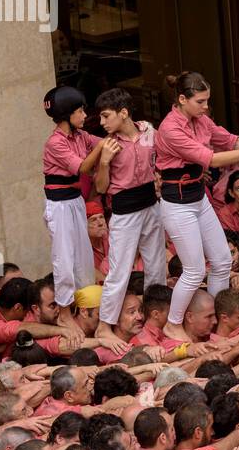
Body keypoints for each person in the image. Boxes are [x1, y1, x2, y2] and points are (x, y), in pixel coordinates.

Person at [155, 72, 239, 342]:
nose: (206, 107)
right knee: (194, 269)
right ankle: (173, 323)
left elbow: (231, 140)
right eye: (200, 101)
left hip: (197, 197)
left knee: (223, 260)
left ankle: (210, 314)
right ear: (181, 99)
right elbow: (210, 159)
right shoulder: (170, 128)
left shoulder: (201, 120)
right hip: (177, 204)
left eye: (207, 101)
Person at [92, 89, 165, 342]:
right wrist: (104, 162)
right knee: (119, 271)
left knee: (156, 266)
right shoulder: (108, 144)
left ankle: (156, 316)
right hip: (124, 210)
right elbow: (100, 188)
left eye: (105, 116)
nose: (102, 123)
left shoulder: (148, 131)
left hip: (150, 203)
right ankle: (105, 325)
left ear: (123, 113)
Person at [42, 86, 106, 313]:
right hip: (59, 206)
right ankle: (66, 313)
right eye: (80, 111)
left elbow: (101, 141)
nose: (85, 115)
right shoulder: (55, 142)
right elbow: (83, 168)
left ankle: (87, 306)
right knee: (64, 261)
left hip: (75, 201)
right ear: (67, 114)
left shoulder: (80, 136)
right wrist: (101, 148)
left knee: (84, 258)